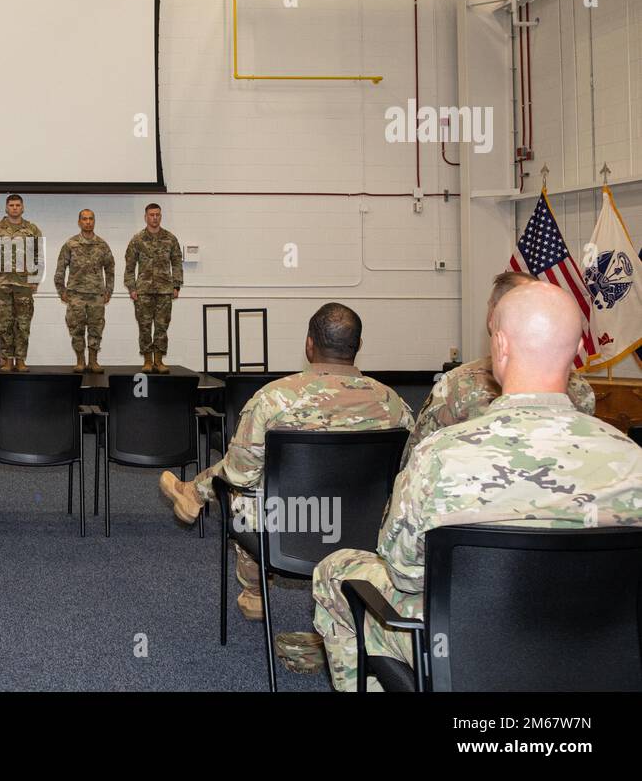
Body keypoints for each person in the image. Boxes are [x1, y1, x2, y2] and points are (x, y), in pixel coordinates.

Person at [312, 282, 642, 691]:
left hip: (468, 649)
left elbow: (403, 572)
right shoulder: (632, 460)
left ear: (500, 346)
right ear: (576, 351)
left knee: (336, 569)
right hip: (598, 649)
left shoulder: (441, 458)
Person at [160, 303, 413, 640]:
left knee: (243, 494)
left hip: (292, 529)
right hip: (366, 536)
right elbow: (407, 475)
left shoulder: (273, 399)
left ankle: (254, 591)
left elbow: (240, 474)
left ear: (309, 345)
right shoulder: (394, 404)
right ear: (358, 346)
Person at [401, 270, 596, 464]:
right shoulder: (582, 391)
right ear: (578, 347)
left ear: (493, 319)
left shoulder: (455, 386)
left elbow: (415, 457)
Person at [0, 194, 43, 372]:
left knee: (23, 325)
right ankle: (8, 360)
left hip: (24, 285)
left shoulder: (32, 229)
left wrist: (34, 281)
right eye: (11, 205)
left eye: (18, 205)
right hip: (2, 285)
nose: (15, 208)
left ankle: (21, 360)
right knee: (4, 325)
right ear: (6, 208)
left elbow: (39, 257)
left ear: (23, 208)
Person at [124, 203, 182, 372]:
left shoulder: (170, 239)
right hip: (143, 291)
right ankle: (148, 361)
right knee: (144, 326)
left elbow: (177, 263)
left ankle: (159, 360)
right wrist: (132, 288)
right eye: (151, 215)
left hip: (165, 291)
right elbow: (129, 266)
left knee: (162, 326)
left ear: (160, 216)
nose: (154, 217)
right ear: (146, 217)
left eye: (157, 214)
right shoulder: (137, 239)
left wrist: (176, 285)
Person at [55, 209, 115, 373]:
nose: (88, 222)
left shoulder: (102, 245)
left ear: (94, 221)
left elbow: (110, 269)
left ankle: (93, 361)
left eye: (91, 219)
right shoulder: (71, 244)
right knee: (77, 328)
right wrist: (62, 290)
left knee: (96, 328)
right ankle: (80, 360)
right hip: (76, 295)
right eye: (84, 219)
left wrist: (109, 290)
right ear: (79, 222)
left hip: (96, 295)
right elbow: (60, 268)